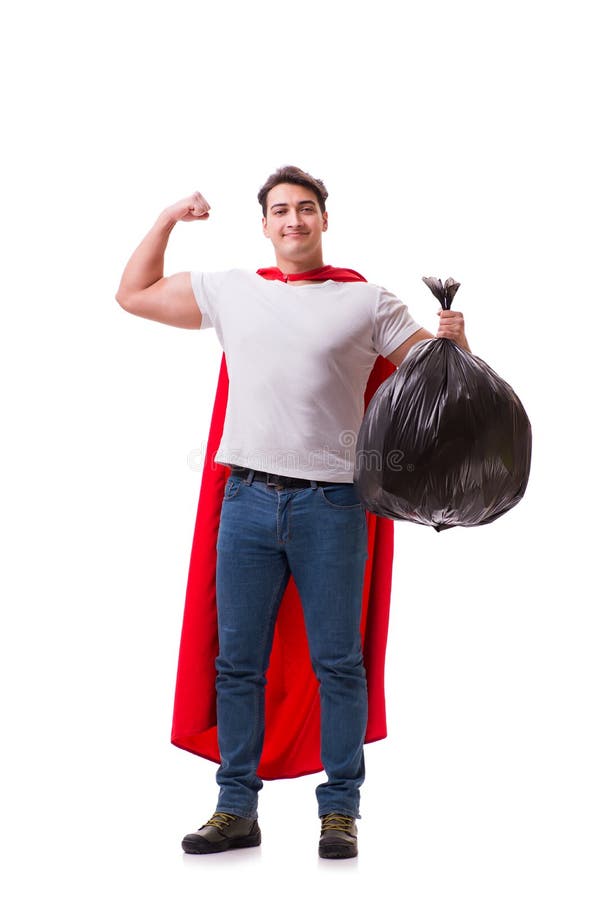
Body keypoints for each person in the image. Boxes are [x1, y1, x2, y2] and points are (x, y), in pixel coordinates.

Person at [115, 166, 470, 859]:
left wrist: (455, 342)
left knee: (337, 664)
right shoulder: (232, 289)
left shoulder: (365, 300)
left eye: (305, 209)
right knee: (237, 664)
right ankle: (235, 809)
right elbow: (132, 294)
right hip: (245, 502)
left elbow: (439, 383)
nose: (293, 222)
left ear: (323, 219)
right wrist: (164, 219)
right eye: (280, 211)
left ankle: (339, 812)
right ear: (265, 223)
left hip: (330, 506)